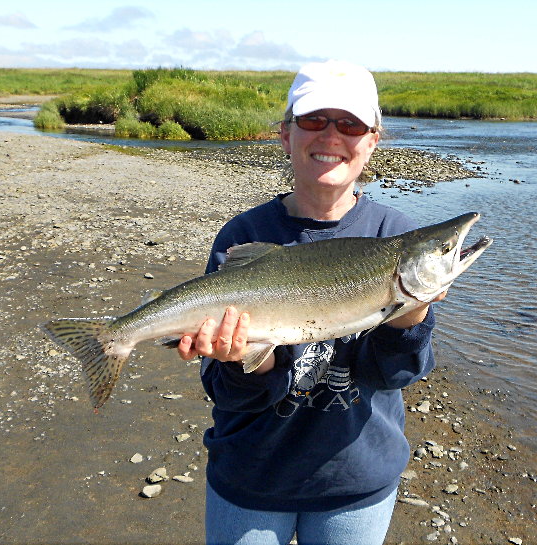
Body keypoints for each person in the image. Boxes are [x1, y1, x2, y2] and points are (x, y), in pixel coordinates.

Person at [176, 60, 445, 545]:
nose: (331, 136)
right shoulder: (243, 236)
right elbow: (228, 392)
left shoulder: (397, 235)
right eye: (314, 121)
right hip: (251, 478)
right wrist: (246, 363)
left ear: (373, 140)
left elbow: (394, 376)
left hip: (355, 481)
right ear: (285, 135)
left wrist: (412, 316)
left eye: (350, 124)